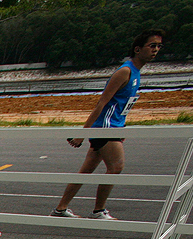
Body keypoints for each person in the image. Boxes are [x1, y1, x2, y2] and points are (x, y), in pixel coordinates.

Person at [52, 29, 164, 220]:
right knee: (116, 166)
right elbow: (102, 102)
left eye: (159, 47)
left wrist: (122, 127)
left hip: (114, 127)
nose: (156, 50)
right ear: (138, 49)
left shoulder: (136, 73)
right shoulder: (125, 71)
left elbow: (121, 106)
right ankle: (98, 210)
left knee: (86, 171)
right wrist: (82, 133)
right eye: (152, 46)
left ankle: (60, 209)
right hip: (105, 127)